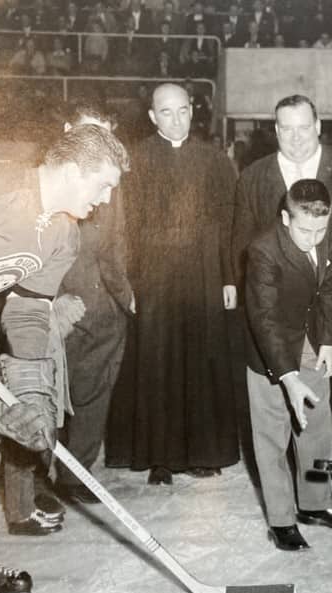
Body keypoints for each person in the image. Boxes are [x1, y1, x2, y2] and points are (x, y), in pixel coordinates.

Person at [0, 125, 129, 593]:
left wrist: (30, 391)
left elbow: (28, 309)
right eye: (103, 184)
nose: (106, 199)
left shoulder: (63, 235)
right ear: (72, 171)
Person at [234, 94, 332, 487]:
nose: (296, 137)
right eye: (287, 129)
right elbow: (243, 244)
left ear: (319, 126)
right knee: (295, 399)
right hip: (287, 314)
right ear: (275, 131)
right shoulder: (253, 176)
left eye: (304, 127)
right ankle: (307, 487)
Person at [110, 83, 239, 484]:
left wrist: (229, 277)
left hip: (204, 274)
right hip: (154, 277)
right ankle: (160, 458)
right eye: (166, 112)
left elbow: (228, 225)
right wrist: (130, 282)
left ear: (192, 111)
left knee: (203, 359)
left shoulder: (215, 160)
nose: (177, 119)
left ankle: (203, 453)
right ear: (152, 117)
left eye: (183, 110)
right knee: (158, 361)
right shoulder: (136, 160)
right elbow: (126, 228)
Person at [245, 179, 332, 550]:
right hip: (271, 351)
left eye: (320, 231)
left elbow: (329, 287)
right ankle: (281, 521)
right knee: (272, 438)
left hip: (310, 341)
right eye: (304, 231)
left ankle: (316, 503)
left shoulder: (324, 231)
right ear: (286, 218)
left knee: (317, 430)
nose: (313, 239)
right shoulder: (263, 251)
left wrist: (327, 341)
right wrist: (288, 377)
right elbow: (264, 320)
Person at [53, 100, 134, 503]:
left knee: (93, 395)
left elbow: (116, 243)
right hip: (61, 308)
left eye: (106, 136)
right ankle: (38, 483)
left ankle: (75, 478)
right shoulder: (49, 181)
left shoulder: (109, 181)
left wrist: (125, 296)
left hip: (103, 306)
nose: (99, 146)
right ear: (68, 132)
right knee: (50, 397)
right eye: (90, 134)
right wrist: (54, 300)